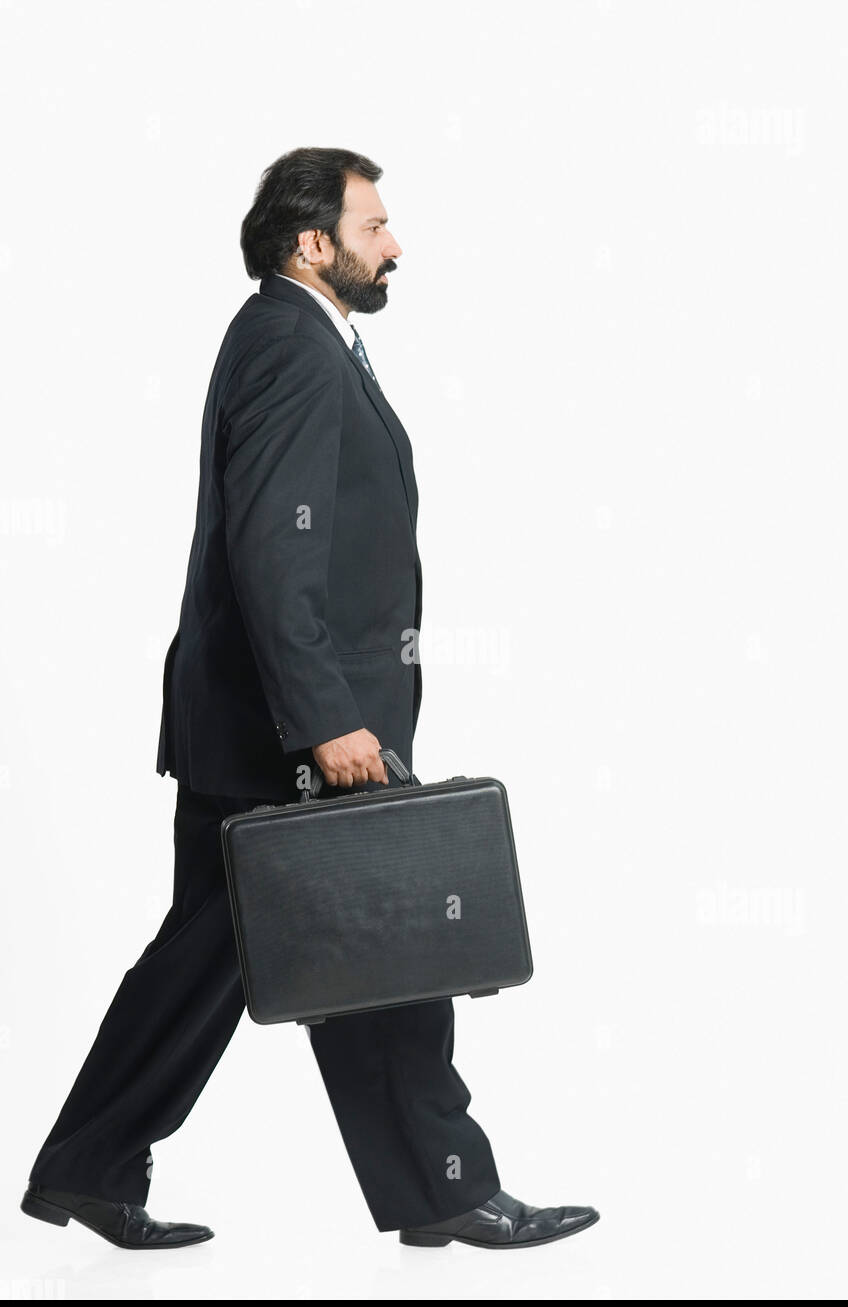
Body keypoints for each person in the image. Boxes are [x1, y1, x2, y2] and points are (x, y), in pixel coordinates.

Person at [21, 148, 598, 1251]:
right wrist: (328, 718)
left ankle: (89, 1165)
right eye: (374, 226)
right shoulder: (290, 343)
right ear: (311, 244)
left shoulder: (290, 336)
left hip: (248, 723)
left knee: (208, 958)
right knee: (384, 950)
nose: (396, 245)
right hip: (294, 727)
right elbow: (272, 553)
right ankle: (444, 1186)